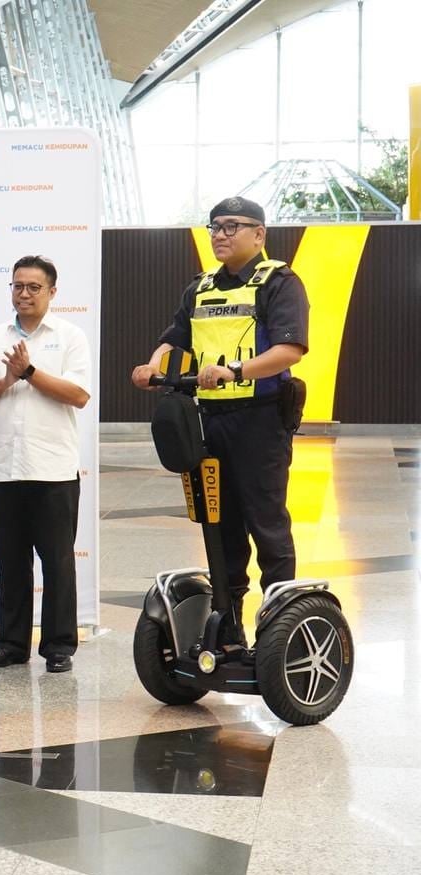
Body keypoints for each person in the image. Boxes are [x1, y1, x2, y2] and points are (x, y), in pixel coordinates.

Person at [131, 197, 308, 641]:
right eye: (215, 227)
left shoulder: (279, 283)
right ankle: (227, 628)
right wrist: (153, 366)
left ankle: (279, 626)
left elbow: (290, 351)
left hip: (261, 420)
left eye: (232, 226)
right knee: (219, 524)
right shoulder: (201, 286)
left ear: (259, 234)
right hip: (210, 421)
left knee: (266, 524)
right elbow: (175, 339)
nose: (221, 235)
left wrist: (235, 371)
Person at [0, 255, 91, 674]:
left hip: (52, 470)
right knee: (10, 561)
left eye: (34, 287)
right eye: (17, 286)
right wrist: (7, 380)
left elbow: (78, 394)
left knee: (57, 562)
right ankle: (11, 643)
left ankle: (58, 645)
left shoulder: (70, 337)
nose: (24, 293)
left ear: (52, 292)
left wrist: (30, 371)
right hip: (3, 470)